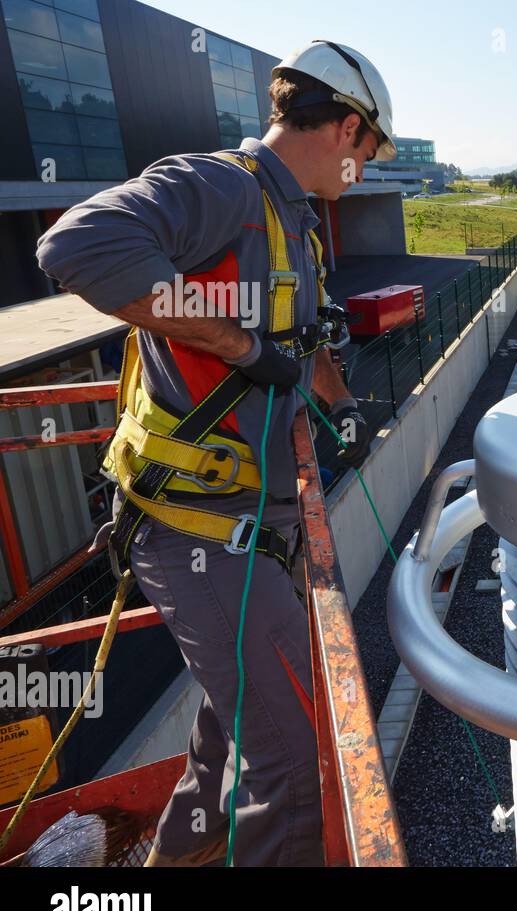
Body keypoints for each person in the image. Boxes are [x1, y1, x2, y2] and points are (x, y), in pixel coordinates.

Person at [36, 40, 396, 866]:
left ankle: (178, 858)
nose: (366, 172)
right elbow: (76, 247)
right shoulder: (218, 188)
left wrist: (340, 405)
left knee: (229, 735)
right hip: (197, 529)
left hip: (246, 529)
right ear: (346, 127)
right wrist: (235, 344)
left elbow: (302, 339)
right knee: (298, 756)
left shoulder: (294, 223)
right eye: (368, 152)